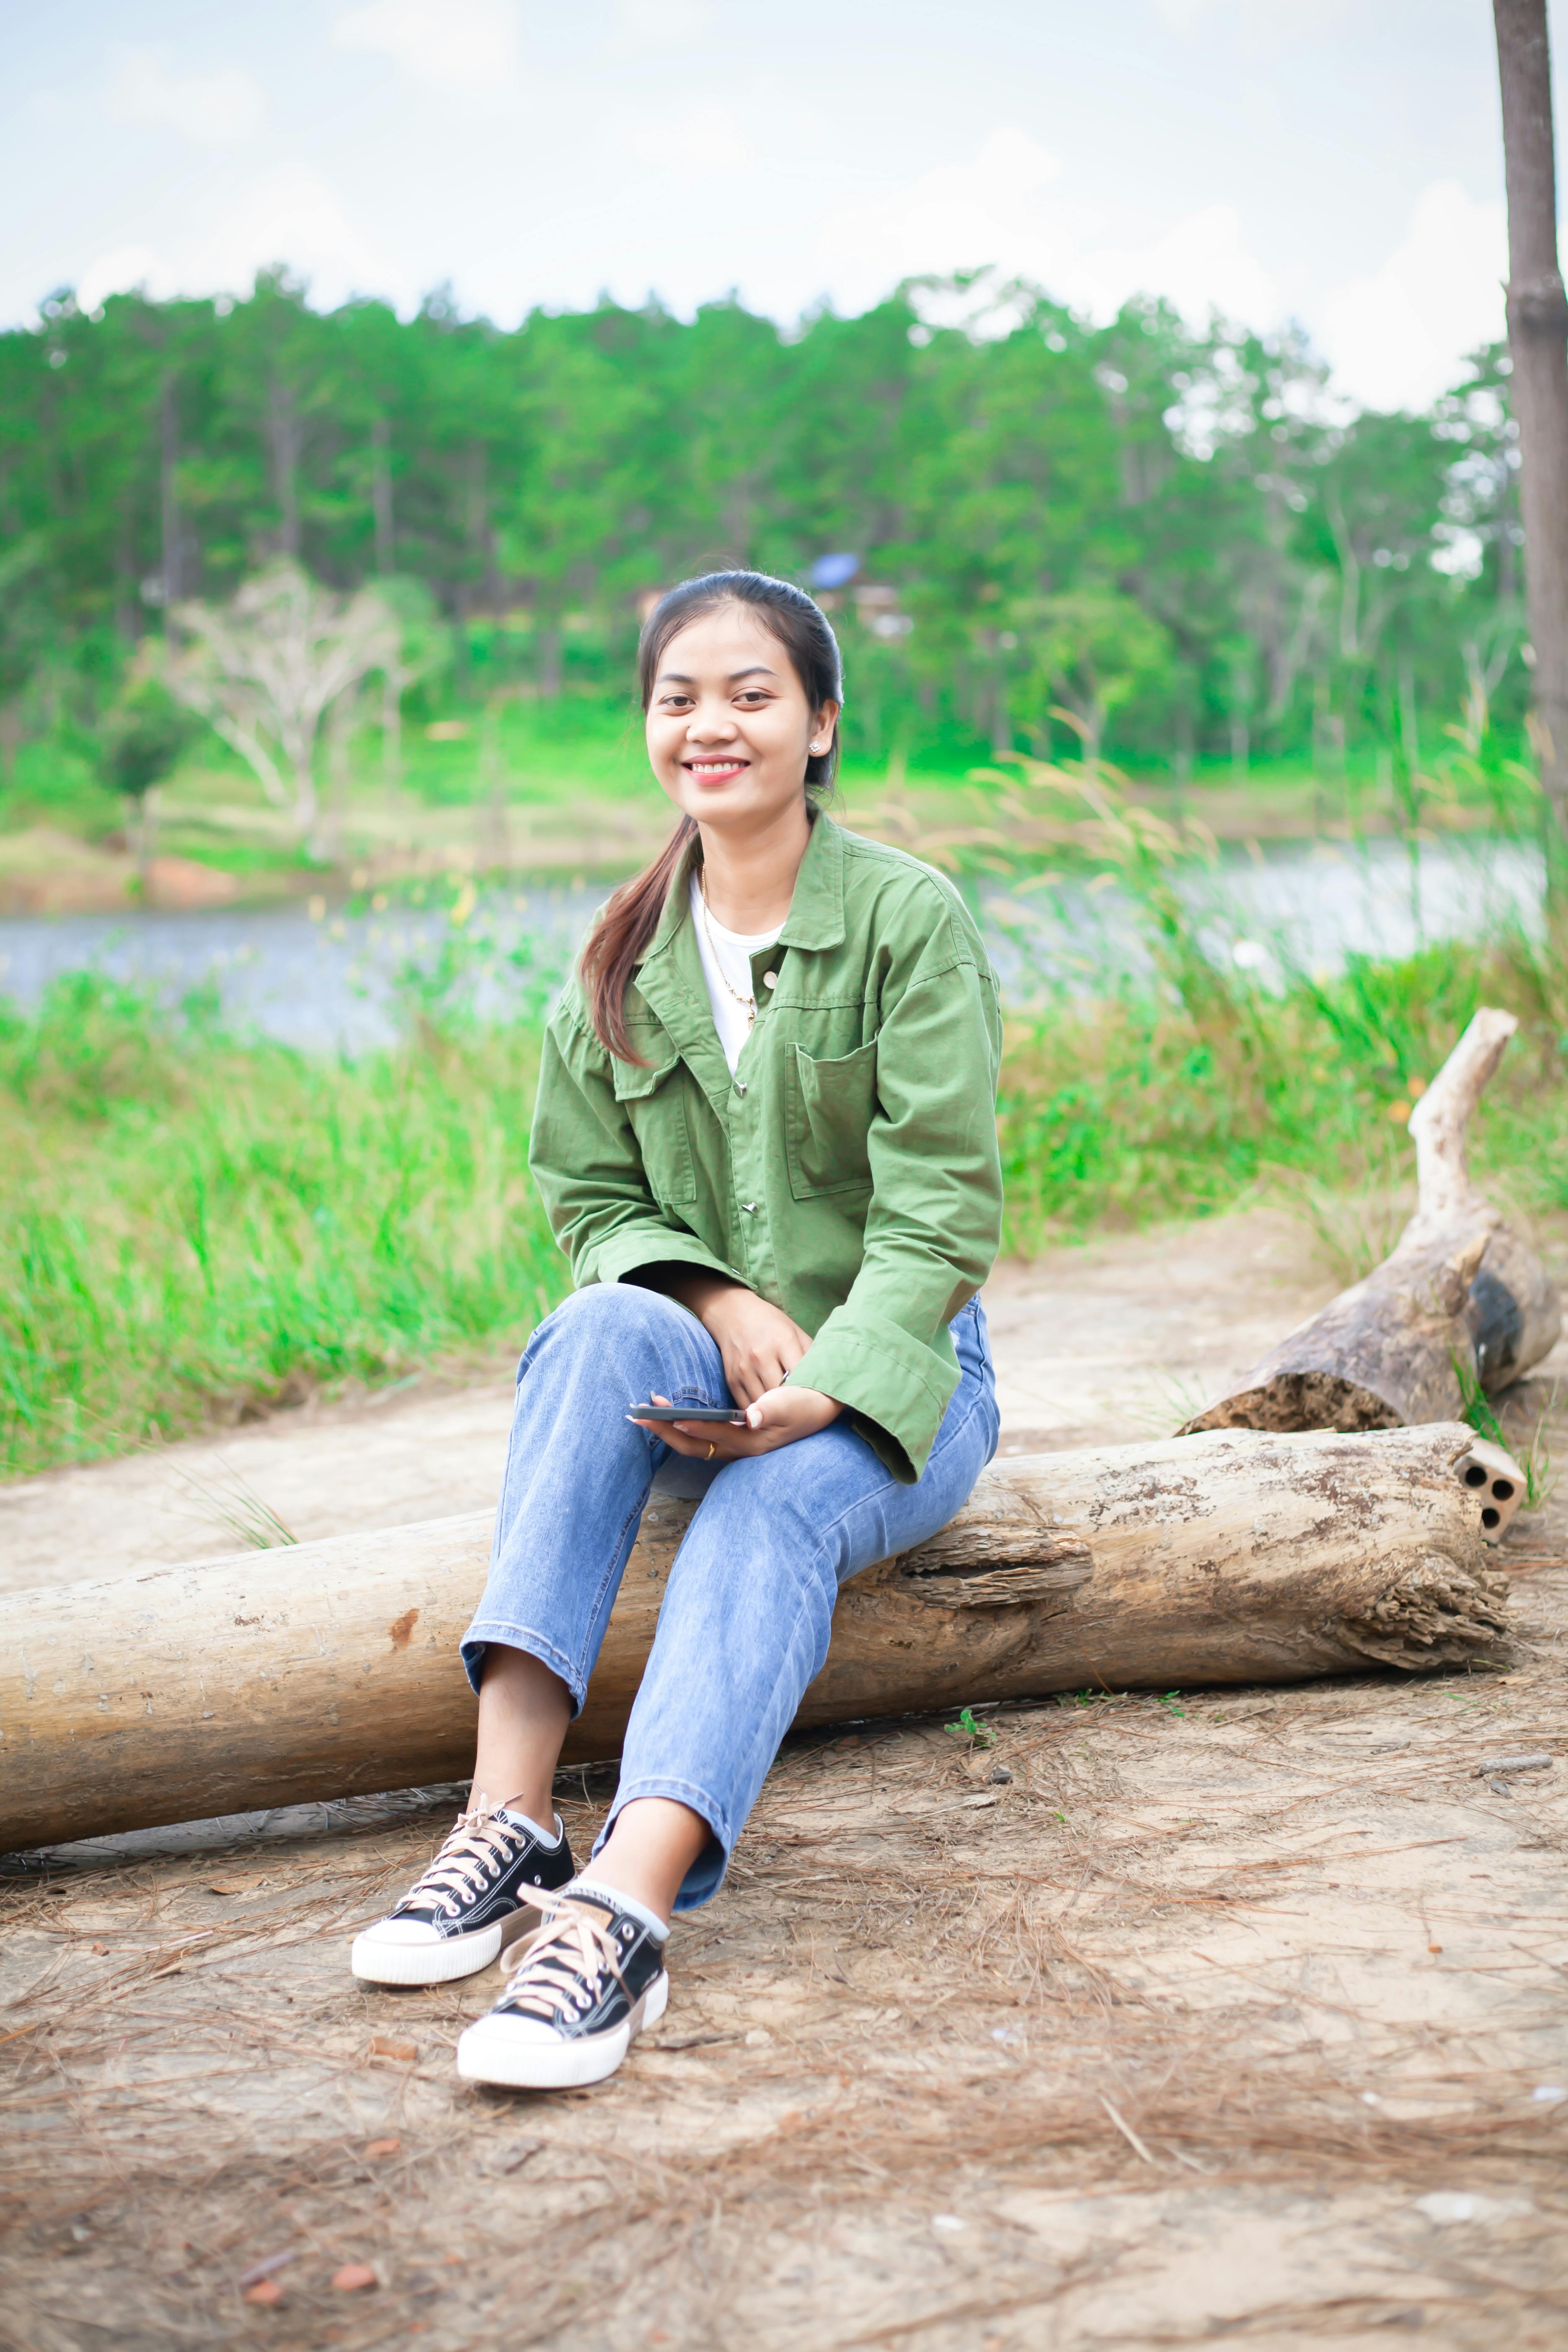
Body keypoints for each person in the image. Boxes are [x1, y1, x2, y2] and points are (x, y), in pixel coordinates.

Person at [351, 570, 1003, 2089]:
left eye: (753, 695)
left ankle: (618, 1916)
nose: (711, 724)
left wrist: (827, 1385)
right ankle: (505, 1823)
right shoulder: (618, 954)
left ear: (823, 724)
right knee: (591, 1327)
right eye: (678, 697)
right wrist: (711, 1300)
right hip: (704, 1349)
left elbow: (944, 1219)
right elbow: (587, 1196)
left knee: (767, 1509)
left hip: (910, 1378)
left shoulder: (908, 919)